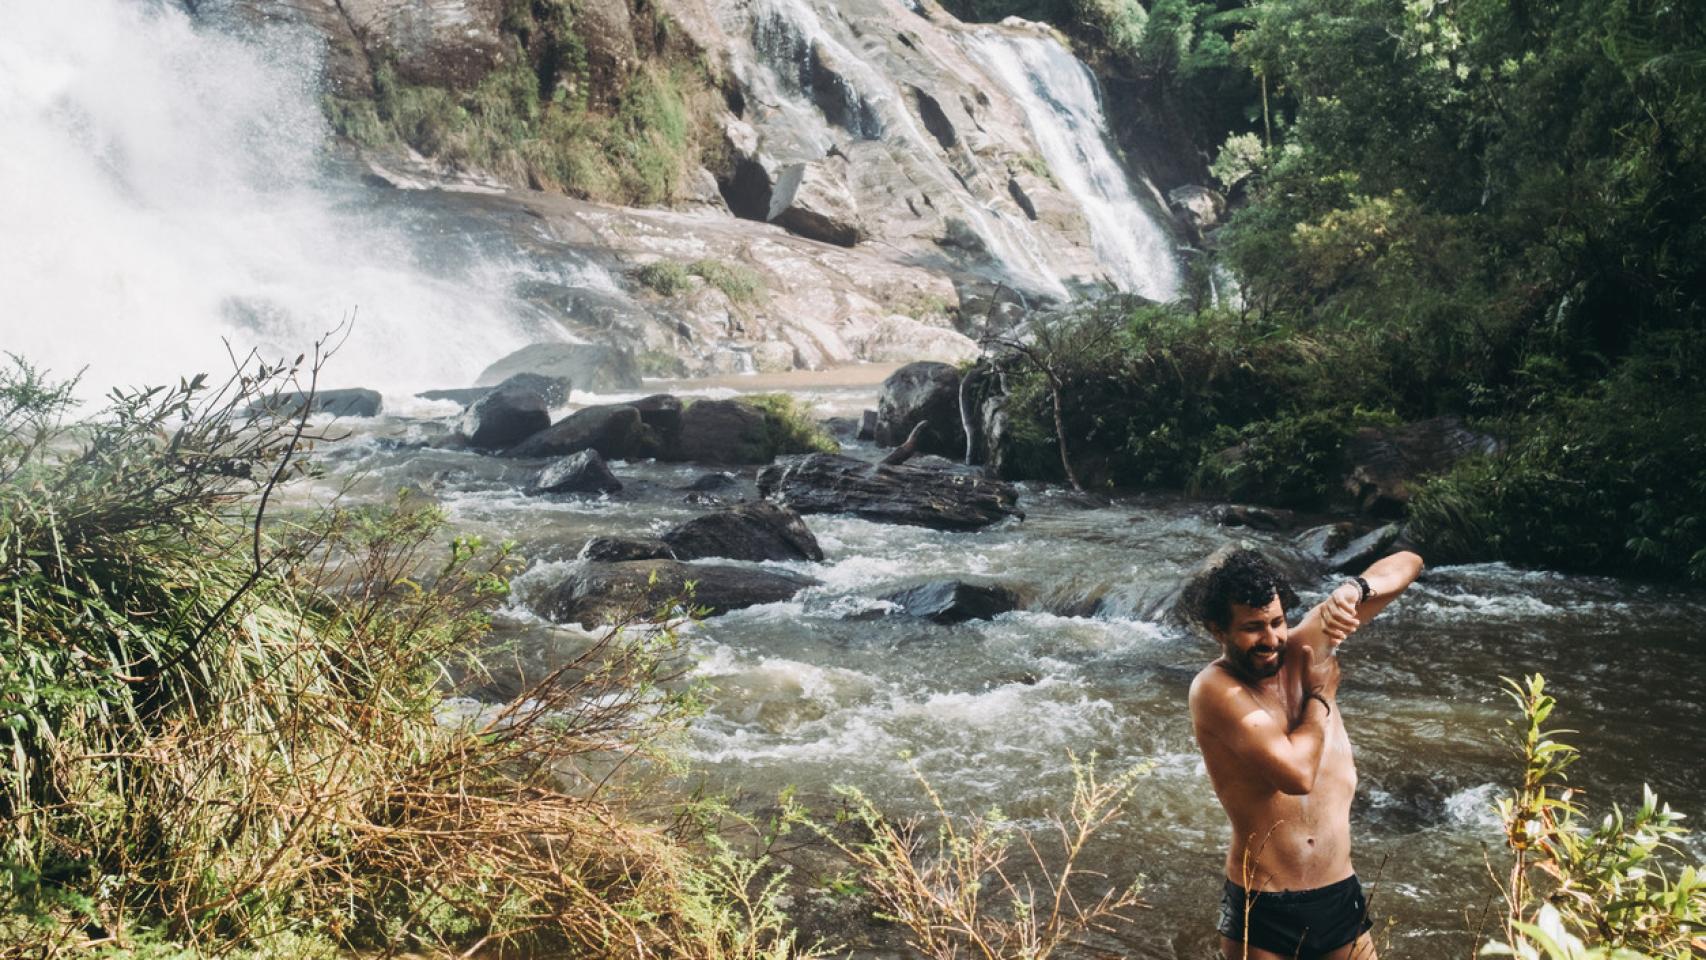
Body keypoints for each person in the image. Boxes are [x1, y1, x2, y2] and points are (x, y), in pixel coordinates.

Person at [1185, 546, 1423, 960]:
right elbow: (1296, 775)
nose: (1271, 639)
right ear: (1216, 629)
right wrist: (1320, 698)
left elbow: (1409, 563)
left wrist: (1354, 589)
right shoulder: (1214, 690)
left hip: (1338, 892)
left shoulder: (1300, 648)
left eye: (1277, 622)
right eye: (1252, 628)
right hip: (1264, 906)